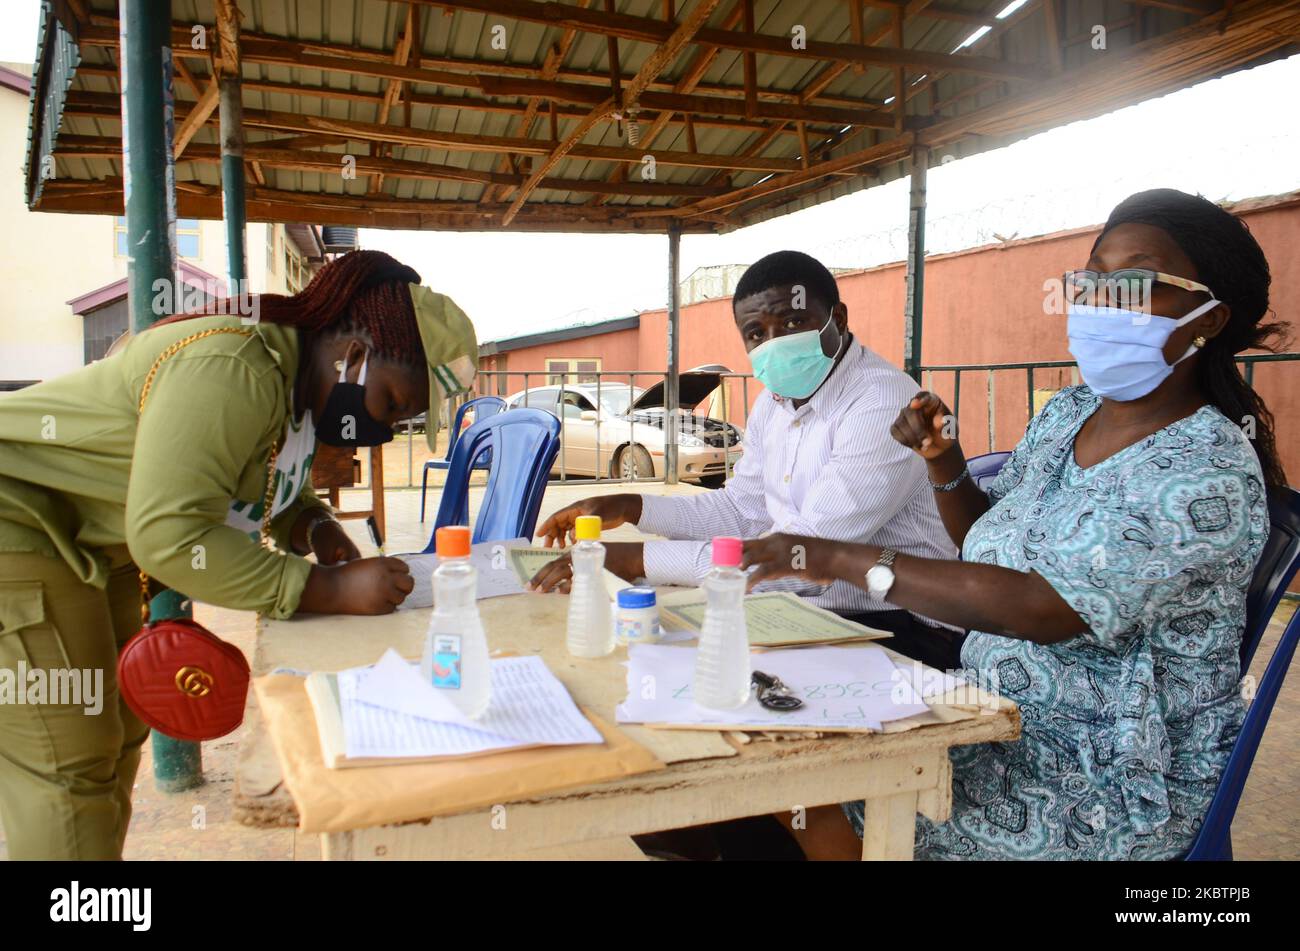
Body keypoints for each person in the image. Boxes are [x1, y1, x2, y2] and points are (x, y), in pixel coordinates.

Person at [742, 189, 1283, 860]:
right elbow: (986, 542)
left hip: (1102, 777)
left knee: (810, 791)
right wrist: (943, 461)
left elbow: (1039, 607)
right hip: (994, 715)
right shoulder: (1071, 413)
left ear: (1209, 316)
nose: (1100, 301)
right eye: (1092, 280)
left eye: (1134, 282)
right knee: (772, 747)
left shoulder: (1204, 467)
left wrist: (842, 559)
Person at [0, 250, 478, 859]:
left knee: (115, 737)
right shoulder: (236, 366)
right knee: (66, 763)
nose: (382, 429)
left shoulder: (291, 384)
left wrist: (315, 527)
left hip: (87, 539)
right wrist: (326, 590)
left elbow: (270, 486)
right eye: (390, 404)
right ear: (355, 355)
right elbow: (171, 535)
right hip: (18, 522)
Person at [530, 250, 962, 666]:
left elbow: (804, 554)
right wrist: (632, 507)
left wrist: (635, 560)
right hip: (808, 610)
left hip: (900, 624)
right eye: (757, 334)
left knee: (696, 662)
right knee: (641, 645)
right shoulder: (773, 403)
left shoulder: (879, 402)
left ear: (839, 318)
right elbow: (742, 510)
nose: (775, 343)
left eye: (794, 322)